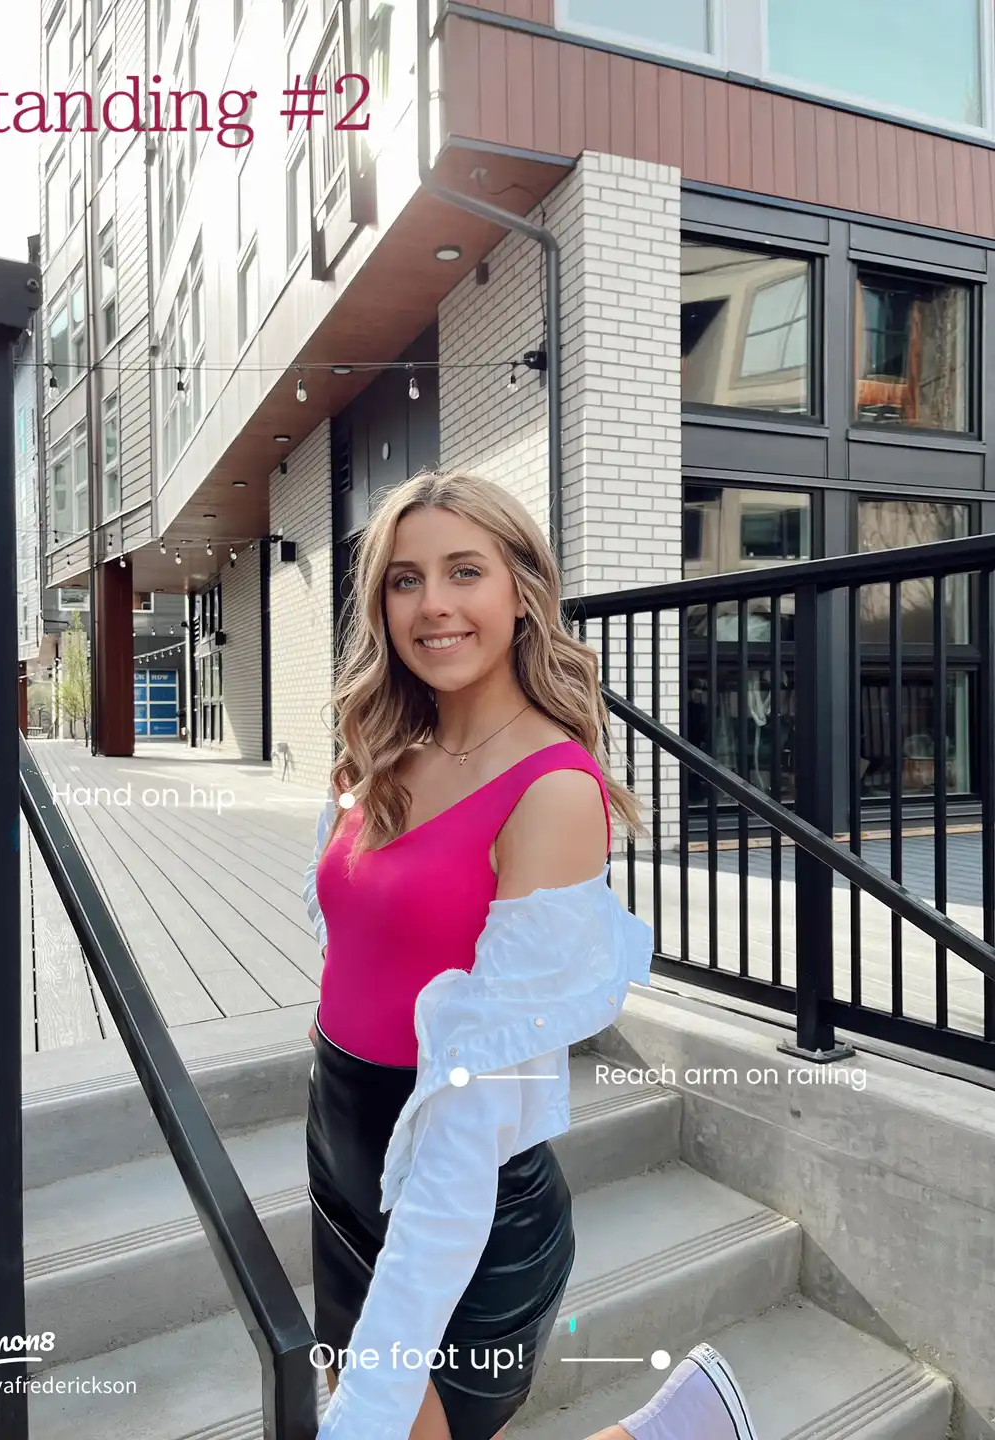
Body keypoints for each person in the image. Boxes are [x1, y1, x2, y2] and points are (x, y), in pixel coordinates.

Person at [301, 470, 759, 1440]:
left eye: (464, 571)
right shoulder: (376, 753)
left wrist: (373, 1395)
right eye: (404, 579)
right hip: (341, 1160)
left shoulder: (554, 790)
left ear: (521, 589)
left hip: (458, 1197)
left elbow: (469, 1117)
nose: (433, 606)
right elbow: (356, 949)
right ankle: (684, 1426)